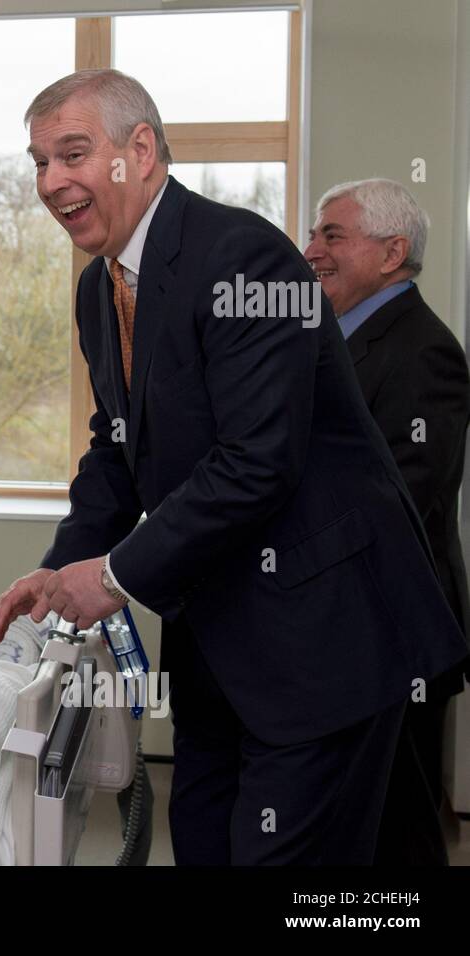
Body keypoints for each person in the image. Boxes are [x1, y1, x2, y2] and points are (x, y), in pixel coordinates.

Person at [0, 69, 469, 865]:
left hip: (323, 642)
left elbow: (257, 462)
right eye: (37, 162)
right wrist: (57, 576)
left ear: (139, 150)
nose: (51, 181)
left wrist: (109, 578)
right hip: (219, 649)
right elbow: (116, 449)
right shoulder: (97, 293)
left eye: (72, 154)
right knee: (205, 843)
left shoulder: (243, 258)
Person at [305, 179, 470, 864]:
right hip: (344, 636)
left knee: (398, 830)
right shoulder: (335, 340)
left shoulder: (422, 351)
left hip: (390, 636)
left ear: (391, 251)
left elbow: (403, 496)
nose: (310, 251)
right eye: (315, 234)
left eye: (331, 236)